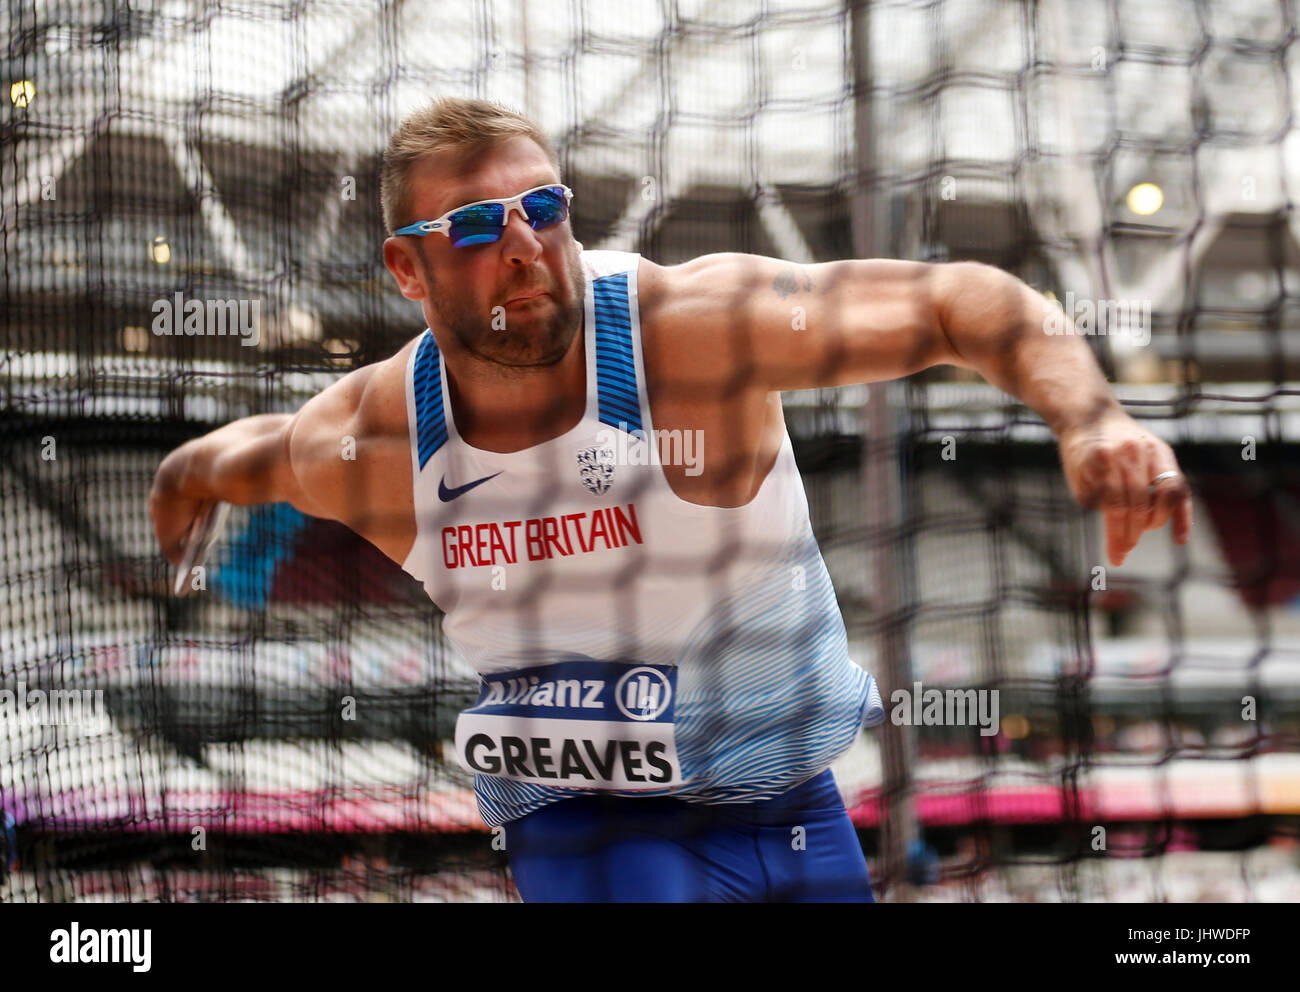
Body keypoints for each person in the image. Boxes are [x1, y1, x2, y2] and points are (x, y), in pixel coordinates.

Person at [149, 97, 1193, 902]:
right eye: (474, 226)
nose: (524, 246)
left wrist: (1090, 416)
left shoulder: (689, 334)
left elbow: (961, 299)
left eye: (543, 207)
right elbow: (257, 452)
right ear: (407, 270)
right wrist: (182, 475)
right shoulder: (371, 441)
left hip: (788, 795)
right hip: (587, 821)